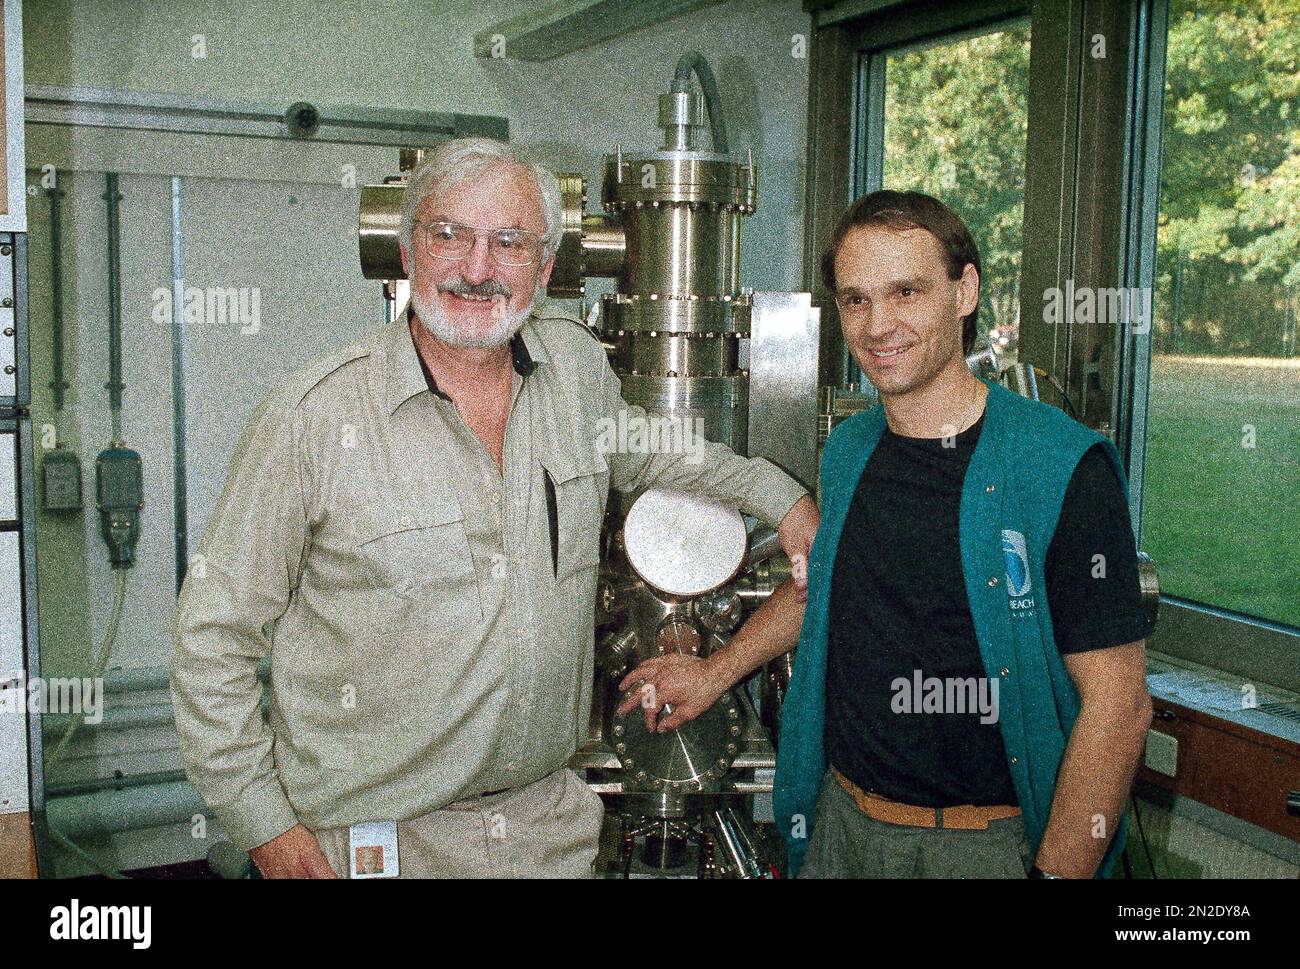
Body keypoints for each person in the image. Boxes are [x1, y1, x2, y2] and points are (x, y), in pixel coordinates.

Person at [171, 137, 818, 879]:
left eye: (509, 243)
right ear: (410, 250)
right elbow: (210, 641)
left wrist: (784, 497)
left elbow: (649, 446)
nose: (477, 270)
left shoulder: (573, 368)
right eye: (449, 235)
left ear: (544, 269)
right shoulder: (313, 418)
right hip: (375, 842)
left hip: (543, 832)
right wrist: (266, 825)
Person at [619, 190, 1153, 879]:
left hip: (986, 843)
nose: (879, 324)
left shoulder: (1060, 466)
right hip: (844, 825)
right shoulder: (850, 450)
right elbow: (823, 582)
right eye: (856, 299)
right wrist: (715, 673)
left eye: (906, 291)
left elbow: (1120, 703)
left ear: (965, 291)